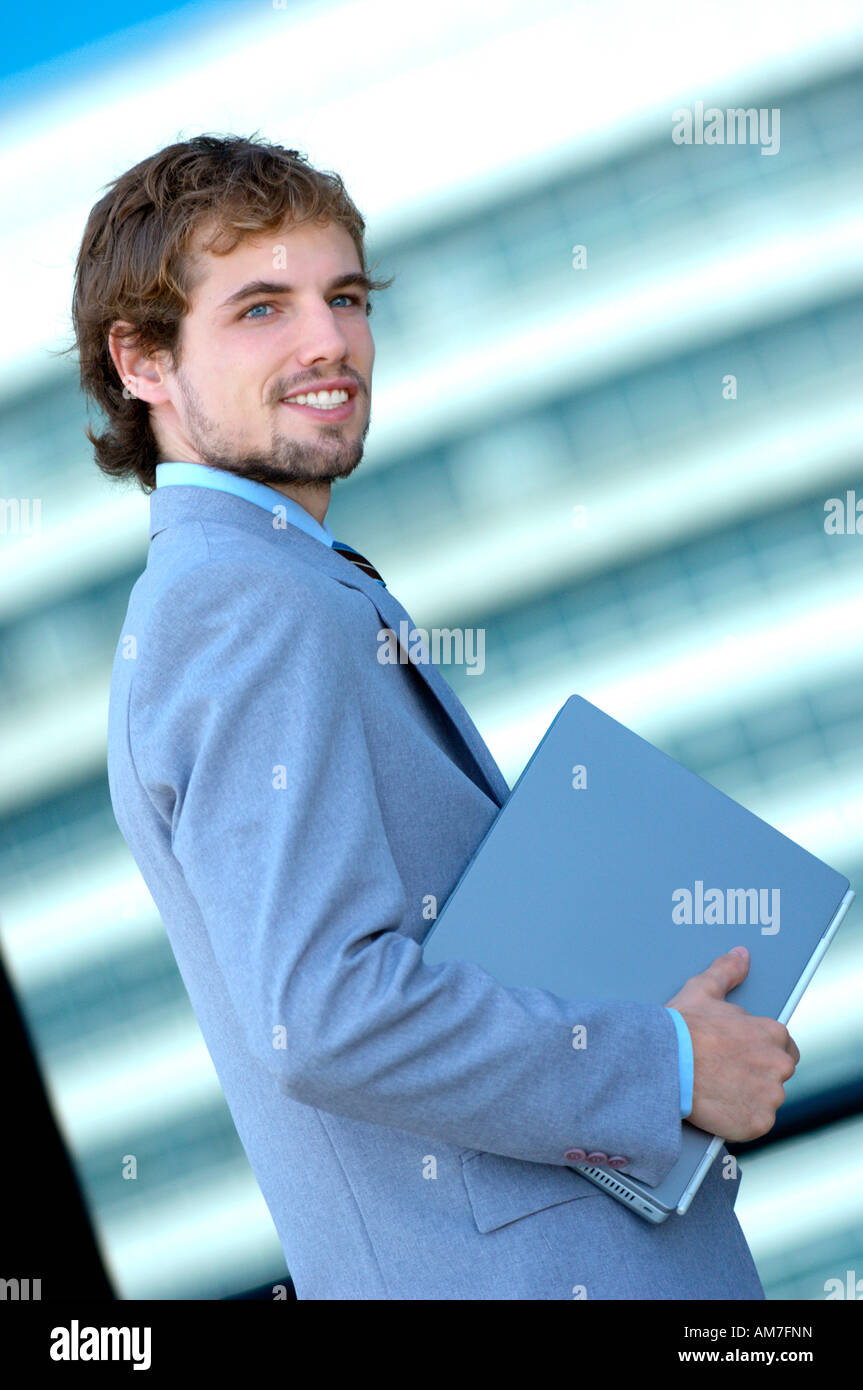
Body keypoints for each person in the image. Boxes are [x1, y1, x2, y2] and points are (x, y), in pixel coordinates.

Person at [77, 133, 798, 1299]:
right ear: (143, 360)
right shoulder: (241, 601)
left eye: (345, 296)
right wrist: (661, 1063)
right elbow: (324, 1014)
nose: (330, 342)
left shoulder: (270, 579)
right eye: (260, 309)